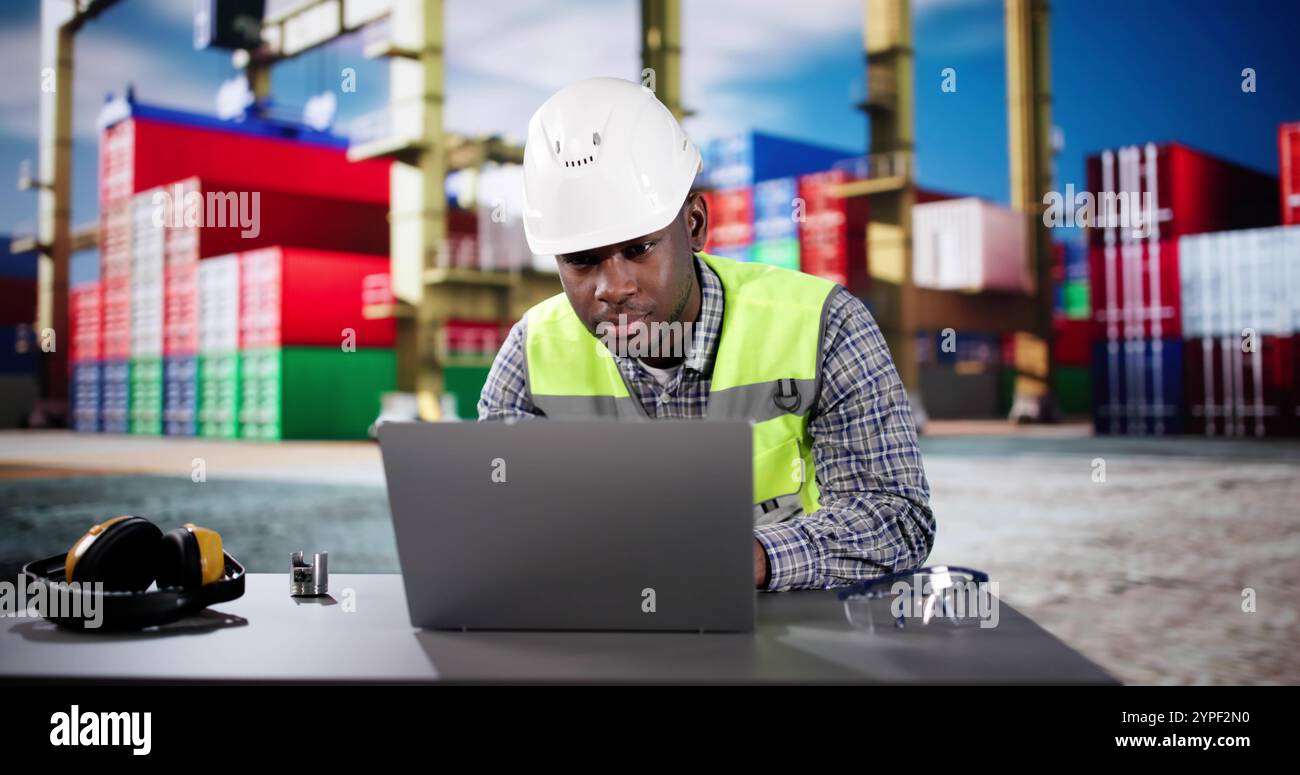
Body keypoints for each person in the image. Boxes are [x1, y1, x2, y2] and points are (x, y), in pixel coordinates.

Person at [479, 77, 934, 591]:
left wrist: (753, 559)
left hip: (788, 630)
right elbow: (497, 521)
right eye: (582, 261)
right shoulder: (532, 349)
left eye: (638, 249)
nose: (613, 287)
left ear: (694, 224)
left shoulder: (823, 323)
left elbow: (896, 519)